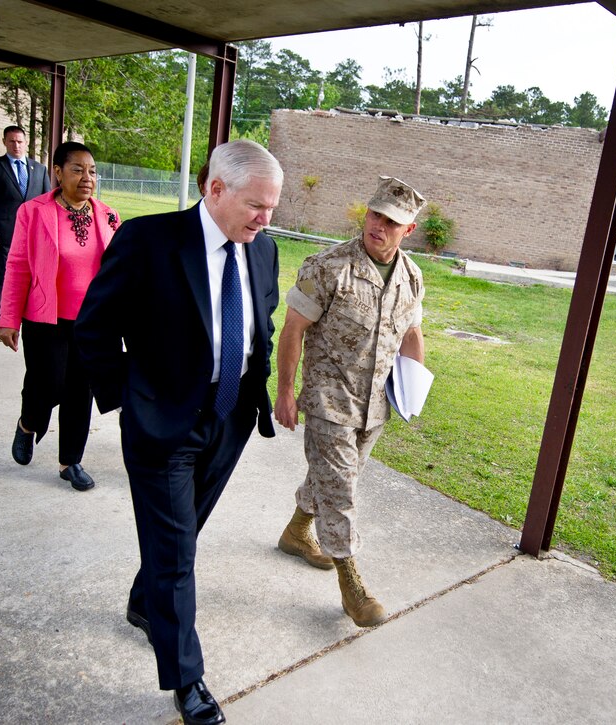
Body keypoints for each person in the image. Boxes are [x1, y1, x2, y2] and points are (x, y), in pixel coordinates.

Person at [74, 139, 282, 725]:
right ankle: (186, 678)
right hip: (163, 426)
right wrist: (130, 399)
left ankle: (146, 604)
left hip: (230, 418)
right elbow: (94, 327)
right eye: (256, 206)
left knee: (181, 536)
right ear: (215, 189)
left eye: (272, 207)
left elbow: (260, 324)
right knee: (175, 556)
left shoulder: (263, 249)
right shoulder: (149, 240)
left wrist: (256, 390)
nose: (265, 219)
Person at [274, 175, 426, 628]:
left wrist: (414, 391)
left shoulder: (411, 277)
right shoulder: (327, 267)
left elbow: (412, 334)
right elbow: (293, 330)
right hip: (329, 401)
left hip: (375, 406)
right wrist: (285, 392)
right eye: (375, 214)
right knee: (341, 491)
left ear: (408, 229)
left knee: (334, 476)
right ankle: (352, 585)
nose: (379, 225)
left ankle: (296, 531)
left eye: (392, 221)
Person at [0, 141, 120, 492]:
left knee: (80, 392)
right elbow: (17, 266)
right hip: (45, 318)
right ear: (58, 172)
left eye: (92, 171)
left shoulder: (108, 215)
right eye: (77, 170)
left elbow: (118, 271)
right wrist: (9, 318)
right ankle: (28, 423)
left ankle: (70, 461)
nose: (87, 177)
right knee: (47, 383)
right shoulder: (33, 212)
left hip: (91, 322)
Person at [0, 125, 52, 315]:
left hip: (33, 235)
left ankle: (26, 314)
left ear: (26, 142)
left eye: (20, 141)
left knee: (30, 277)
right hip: (3, 234)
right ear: (4, 142)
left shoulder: (39, 169)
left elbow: (47, 203)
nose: (16, 145)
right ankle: (6, 316)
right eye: (12, 141)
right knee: (4, 278)